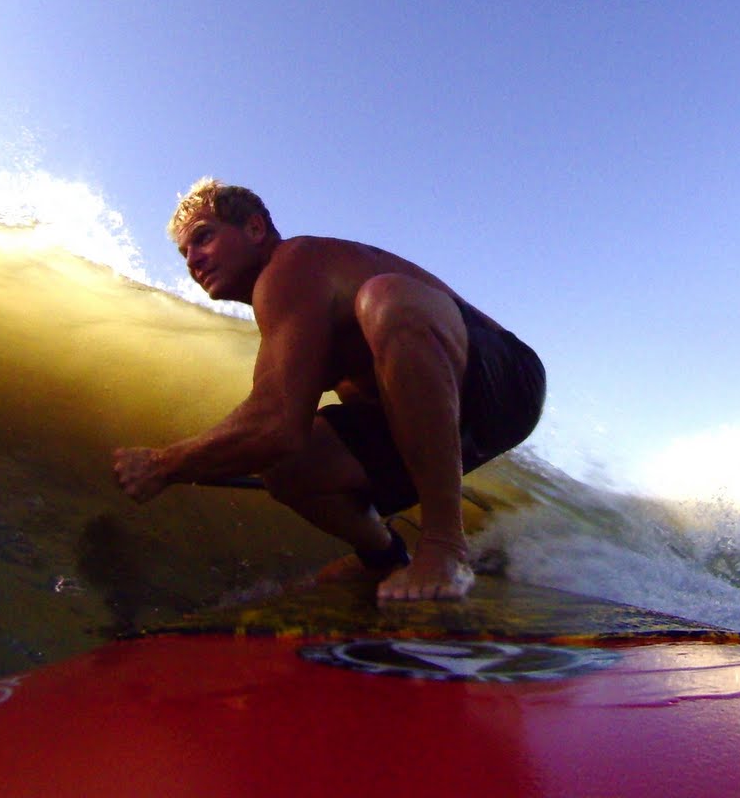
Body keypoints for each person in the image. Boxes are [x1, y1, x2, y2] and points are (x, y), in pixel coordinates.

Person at [112, 179, 544, 602]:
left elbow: (276, 422)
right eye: (185, 252)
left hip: (506, 382)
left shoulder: (294, 263)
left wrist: (161, 464)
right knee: (287, 467)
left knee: (385, 298)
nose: (193, 260)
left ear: (255, 229)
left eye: (203, 238)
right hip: (444, 420)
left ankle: (445, 546)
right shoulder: (287, 320)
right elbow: (276, 431)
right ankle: (383, 557)